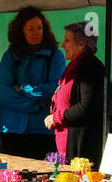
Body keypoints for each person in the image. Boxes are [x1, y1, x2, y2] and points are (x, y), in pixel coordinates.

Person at [0, 6, 65, 159]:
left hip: (43, 129)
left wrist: (24, 89)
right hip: (11, 129)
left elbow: (56, 88)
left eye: (39, 28)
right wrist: (35, 105)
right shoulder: (10, 56)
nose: (36, 33)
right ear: (21, 31)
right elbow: (3, 92)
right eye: (30, 29)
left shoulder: (55, 56)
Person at [44, 20, 106, 168]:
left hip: (81, 146)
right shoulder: (75, 65)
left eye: (67, 40)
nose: (62, 45)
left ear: (82, 43)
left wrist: (57, 117)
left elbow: (87, 106)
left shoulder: (91, 67)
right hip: (67, 143)